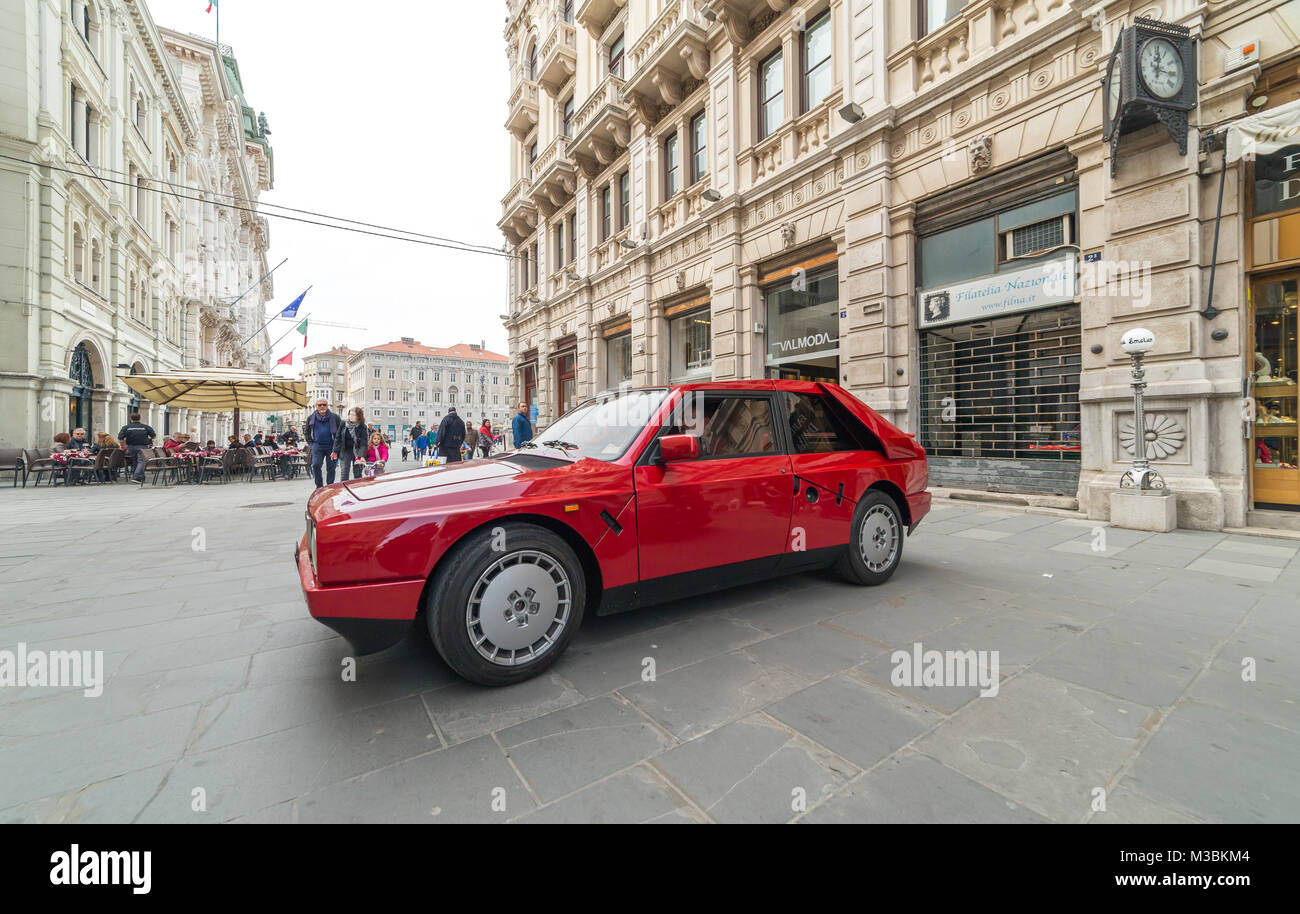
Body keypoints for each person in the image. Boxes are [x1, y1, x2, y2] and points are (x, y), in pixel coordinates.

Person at [305, 397, 342, 487]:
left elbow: (341, 432)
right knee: (316, 465)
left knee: (331, 468)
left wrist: (337, 447)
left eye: (324, 404)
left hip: (332, 446)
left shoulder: (335, 417)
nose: (322, 406)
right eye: (319, 405)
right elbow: (306, 432)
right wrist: (311, 444)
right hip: (317, 446)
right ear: (316, 406)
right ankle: (319, 486)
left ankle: (329, 486)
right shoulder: (311, 418)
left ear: (327, 406)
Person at [331, 407, 369, 482]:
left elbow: (363, 443)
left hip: (357, 451)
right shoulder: (343, 424)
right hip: (345, 450)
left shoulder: (362, 427)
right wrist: (335, 451)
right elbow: (338, 438)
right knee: (344, 471)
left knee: (357, 472)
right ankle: (344, 489)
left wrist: (361, 456)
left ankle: (357, 488)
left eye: (353, 415)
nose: (350, 416)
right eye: (349, 414)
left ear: (358, 416)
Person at [117, 412, 156, 484]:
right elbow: (153, 436)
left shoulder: (126, 427)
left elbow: (120, 438)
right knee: (141, 461)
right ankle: (137, 476)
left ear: (130, 419)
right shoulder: (145, 427)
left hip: (131, 447)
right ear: (139, 418)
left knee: (135, 461)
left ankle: (140, 477)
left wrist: (123, 445)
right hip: (143, 446)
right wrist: (148, 439)